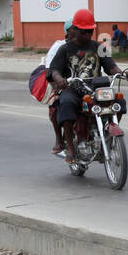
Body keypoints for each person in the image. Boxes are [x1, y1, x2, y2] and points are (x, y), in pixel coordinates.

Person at [46, 8, 128, 166]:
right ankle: (71, 147)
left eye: (90, 31)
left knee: (119, 102)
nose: (88, 34)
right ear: (74, 29)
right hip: (73, 89)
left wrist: (122, 73)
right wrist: (60, 79)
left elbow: (111, 66)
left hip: (97, 89)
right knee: (66, 103)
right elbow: (54, 70)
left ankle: (107, 139)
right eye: (84, 31)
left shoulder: (100, 47)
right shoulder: (65, 49)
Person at [38, 19, 78, 154]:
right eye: (75, 28)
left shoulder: (88, 45)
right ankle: (59, 139)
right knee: (55, 104)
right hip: (64, 84)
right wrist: (57, 84)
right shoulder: (59, 46)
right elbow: (50, 69)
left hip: (85, 85)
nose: (79, 31)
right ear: (68, 31)